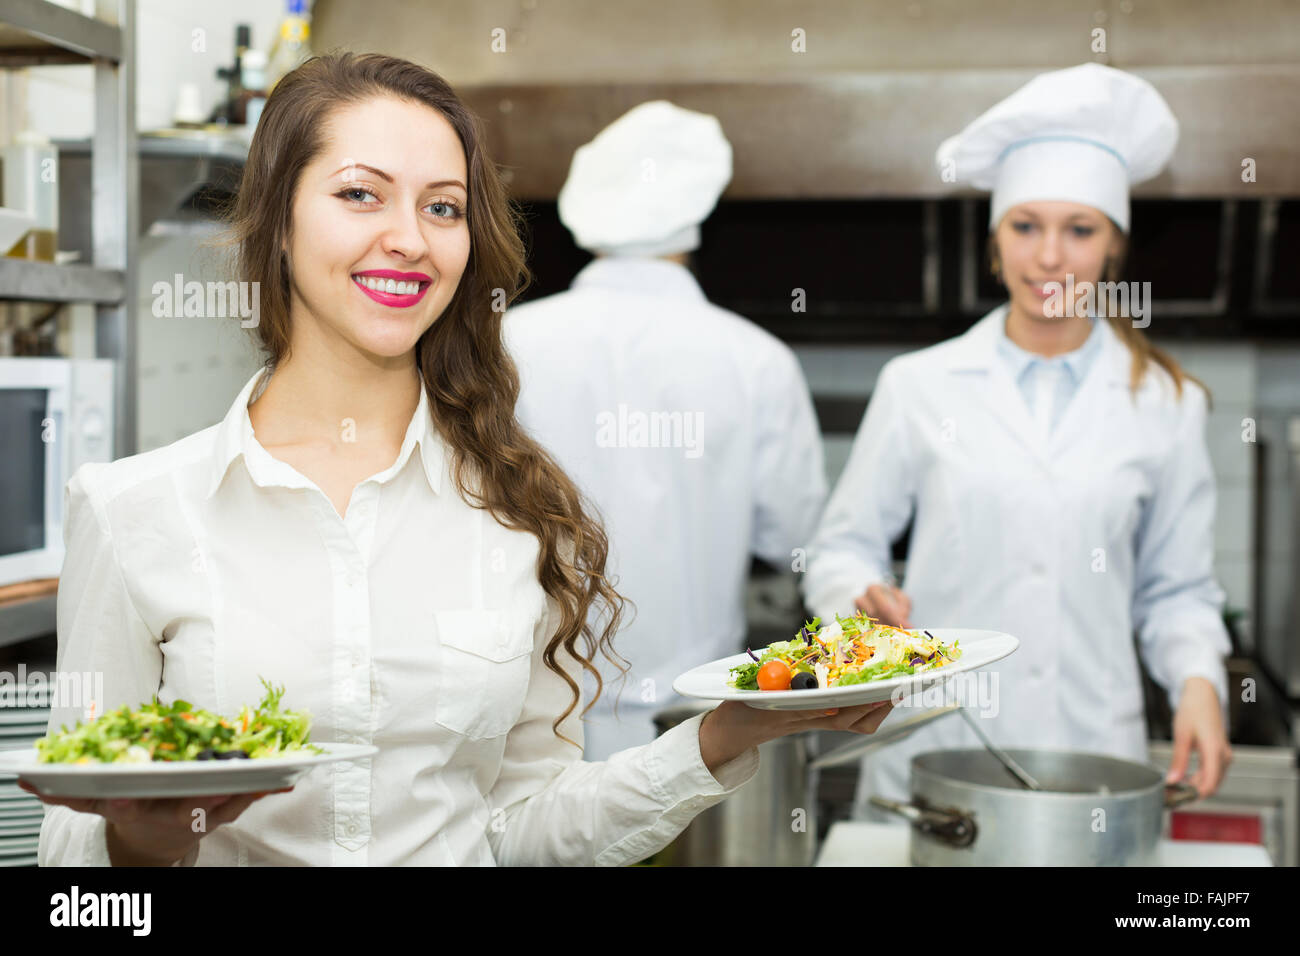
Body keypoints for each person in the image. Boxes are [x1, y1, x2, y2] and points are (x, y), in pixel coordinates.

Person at [26, 53, 891, 867]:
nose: (409, 238)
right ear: (278, 219)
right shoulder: (133, 510)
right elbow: (69, 858)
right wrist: (140, 845)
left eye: (442, 207)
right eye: (362, 195)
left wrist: (724, 736)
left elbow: (523, 823)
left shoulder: (518, 510)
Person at [802, 63, 1232, 820]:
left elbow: (1179, 591)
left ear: (1114, 248)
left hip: (1090, 759)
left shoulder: (1168, 403)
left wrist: (1199, 679)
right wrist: (854, 603)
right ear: (996, 243)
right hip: (932, 746)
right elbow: (841, 550)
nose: (1050, 258)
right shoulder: (919, 384)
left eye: (1080, 229)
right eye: (1026, 226)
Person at [503, 101, 827, 760]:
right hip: (696, 728)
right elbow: (799, 541)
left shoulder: (505, 342)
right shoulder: (756, 359)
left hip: (537, 723)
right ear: (697, 216)